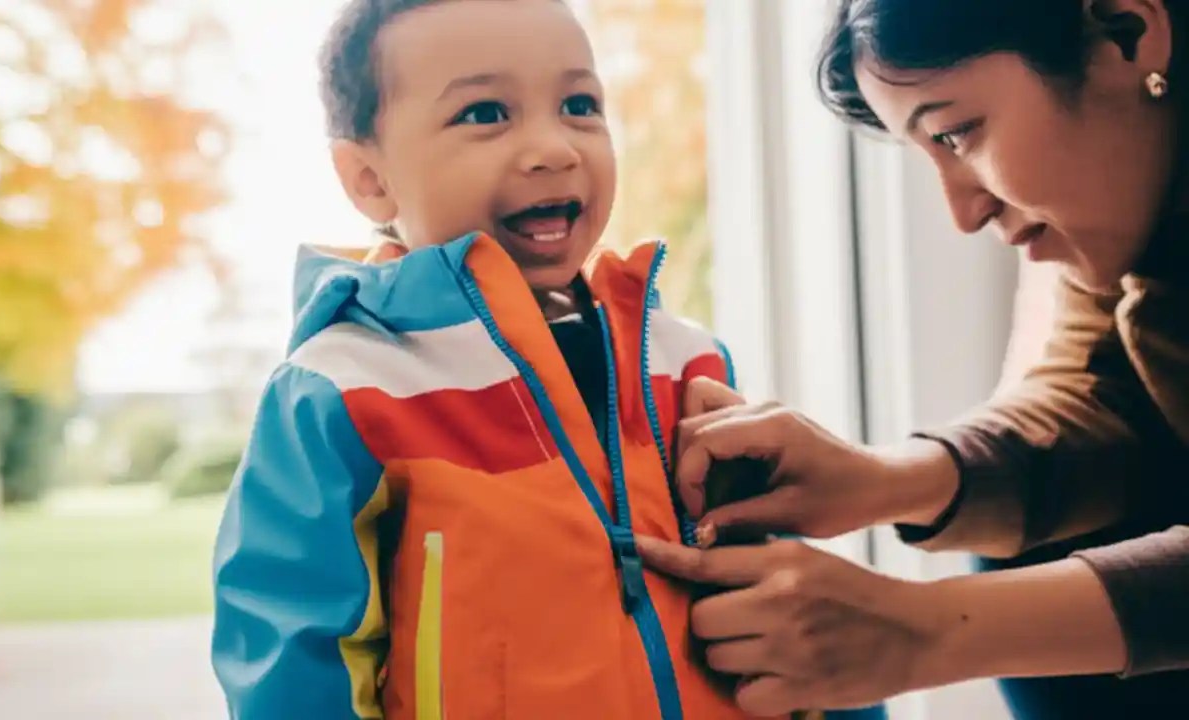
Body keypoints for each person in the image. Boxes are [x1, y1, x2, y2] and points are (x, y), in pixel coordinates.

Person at [207, 0, 793, 717]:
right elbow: (293, 671)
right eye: (486, 114)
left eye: (579, 104)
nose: (554, 148)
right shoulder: (342, 394)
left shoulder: (687, 363)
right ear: (369, 179)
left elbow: (795, 607)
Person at [634, 0, 1189, 717]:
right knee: (1020, 535)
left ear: (1126, 33)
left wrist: (926, 634)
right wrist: (887, 478)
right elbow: (1104, 391)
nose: (964, 213)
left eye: (958, 133)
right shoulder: (1126, 235)